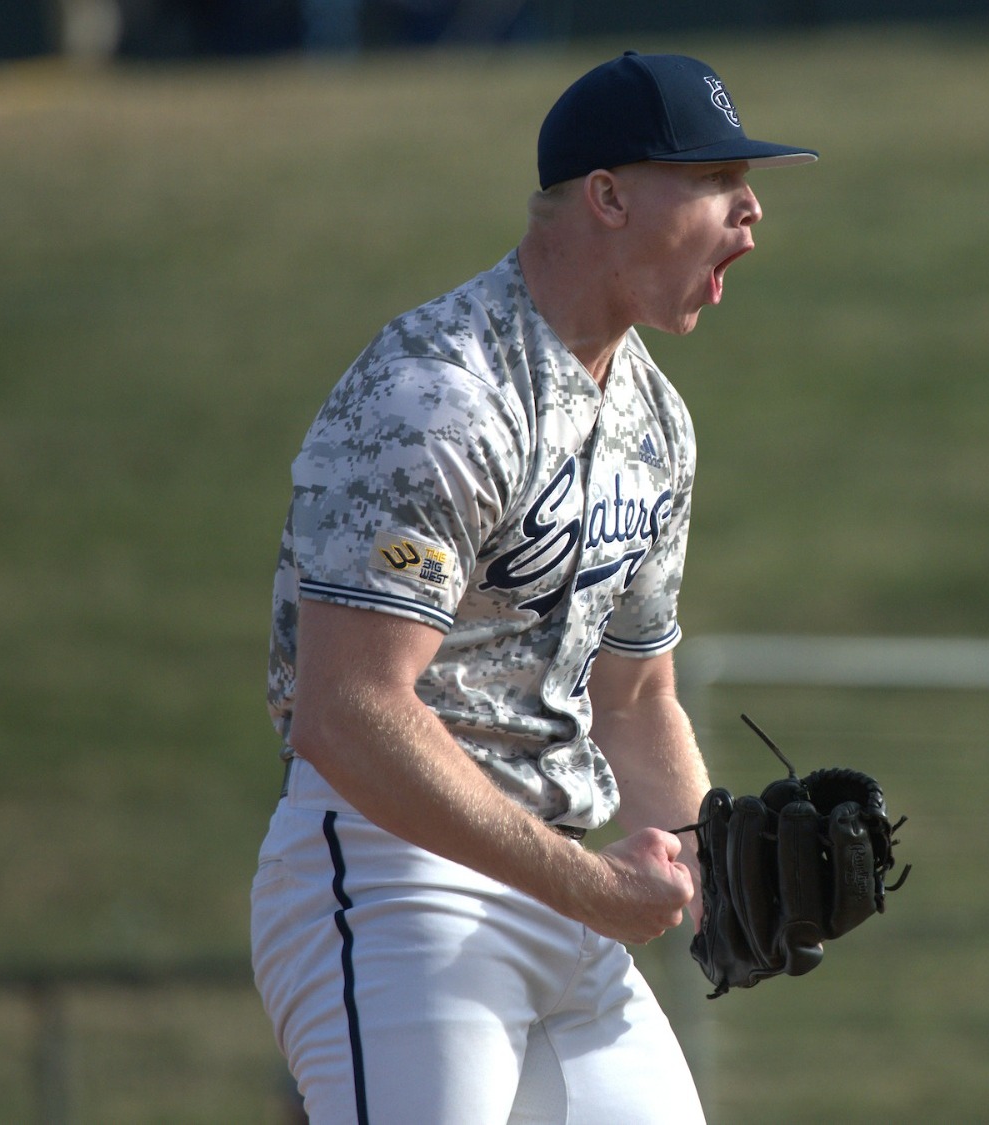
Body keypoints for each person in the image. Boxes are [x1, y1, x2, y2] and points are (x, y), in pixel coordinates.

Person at [249, 51, 816, 1125]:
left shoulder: (655, 422)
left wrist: (717, 873)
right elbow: (348, 708)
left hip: (561, 897)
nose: (749, 211)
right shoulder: (441, 392)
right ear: (606, 196)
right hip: (394, 881)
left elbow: (634, 697)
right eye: (712, 179)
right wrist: (590, 884)